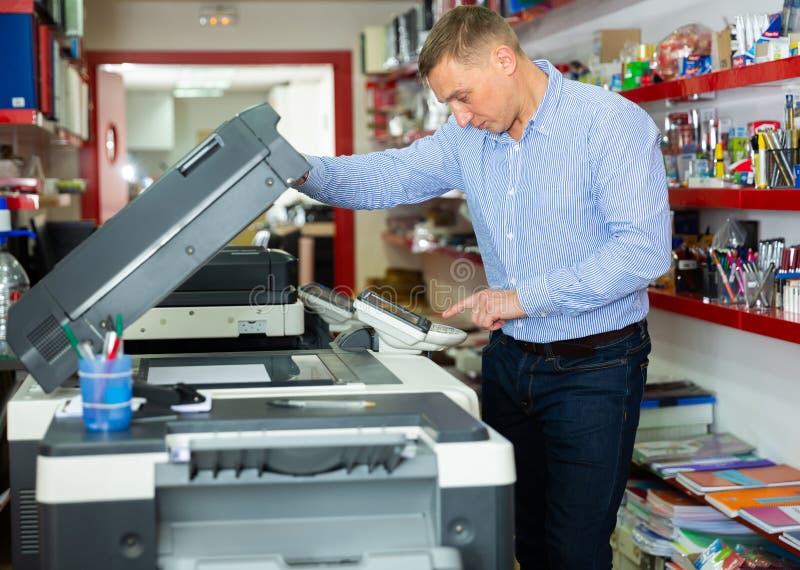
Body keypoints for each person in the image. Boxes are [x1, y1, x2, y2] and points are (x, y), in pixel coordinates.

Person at [296, 5, 671, 569]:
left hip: (596, 371)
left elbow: (643, 250)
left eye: (463, 96)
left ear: (504, 59)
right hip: (509, 363)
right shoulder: (468, 139)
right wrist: (296, 170)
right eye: (450, 102)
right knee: (519, 538)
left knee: (575, 550)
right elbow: (387, 176)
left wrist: (522, 299)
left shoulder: (609, 124)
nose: (461, 115)